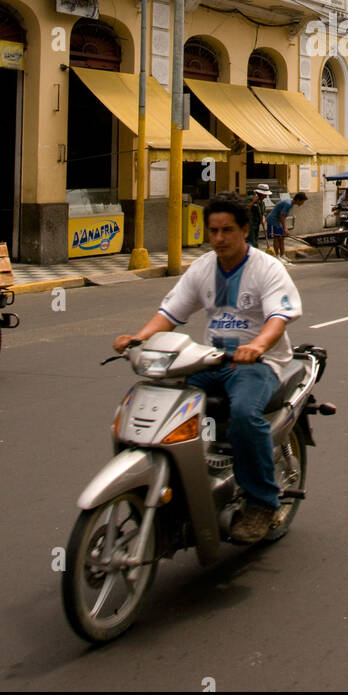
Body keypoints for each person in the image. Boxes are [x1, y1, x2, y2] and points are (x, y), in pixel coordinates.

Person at [112, 194, 302, 544]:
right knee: (154, 402)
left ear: (245, 230)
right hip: (209, 360)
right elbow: (170, 314)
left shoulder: (267, 267)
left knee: (245, 415)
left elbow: (280, 316)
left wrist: (258, 345)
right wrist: (138, 339)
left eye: (227, 230)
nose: (219, 238)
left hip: (258, 364)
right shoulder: (202, 268)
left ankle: (261, 503)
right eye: (213, 231)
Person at [266, 191, 308, 260]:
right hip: (273, 220)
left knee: (282, 238)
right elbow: (281, 216)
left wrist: (283, 227)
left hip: (278, 221)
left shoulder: (291, 203)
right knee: (276, 238)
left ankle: (283, 255)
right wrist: (285, 228)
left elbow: (283, 216)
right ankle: (277, 256)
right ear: (298, 199)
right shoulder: (288, 204)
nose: (302, 203)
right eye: (302, 201)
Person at [248, 184, 271, 249]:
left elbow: (262, 213)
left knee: (255, 241)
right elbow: (244, 210)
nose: (266, 196)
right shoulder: (250, 199)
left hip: (256, 225)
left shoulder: (262, 202)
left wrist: (263, 219)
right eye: (265, 194)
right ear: (260, 193)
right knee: (251, 242)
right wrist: (253, 202)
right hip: (249, 225)